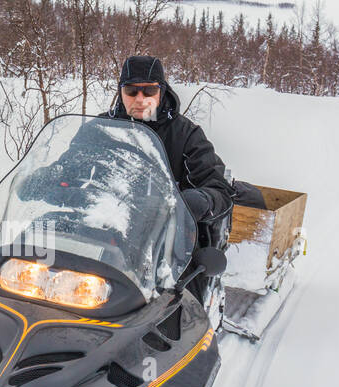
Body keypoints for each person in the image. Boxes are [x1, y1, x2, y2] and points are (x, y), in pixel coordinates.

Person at [104, 55, 265, 295]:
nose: (140, 99)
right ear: (121, 92)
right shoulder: (101, 129)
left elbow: (218, 186)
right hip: (106, 227)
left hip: (167, 237)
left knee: (186, 301)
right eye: (131, 90)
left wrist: (201, 199)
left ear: (161, 91)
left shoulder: (186, 135)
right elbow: (71, 167)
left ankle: (197, 324)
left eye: (148, 90)